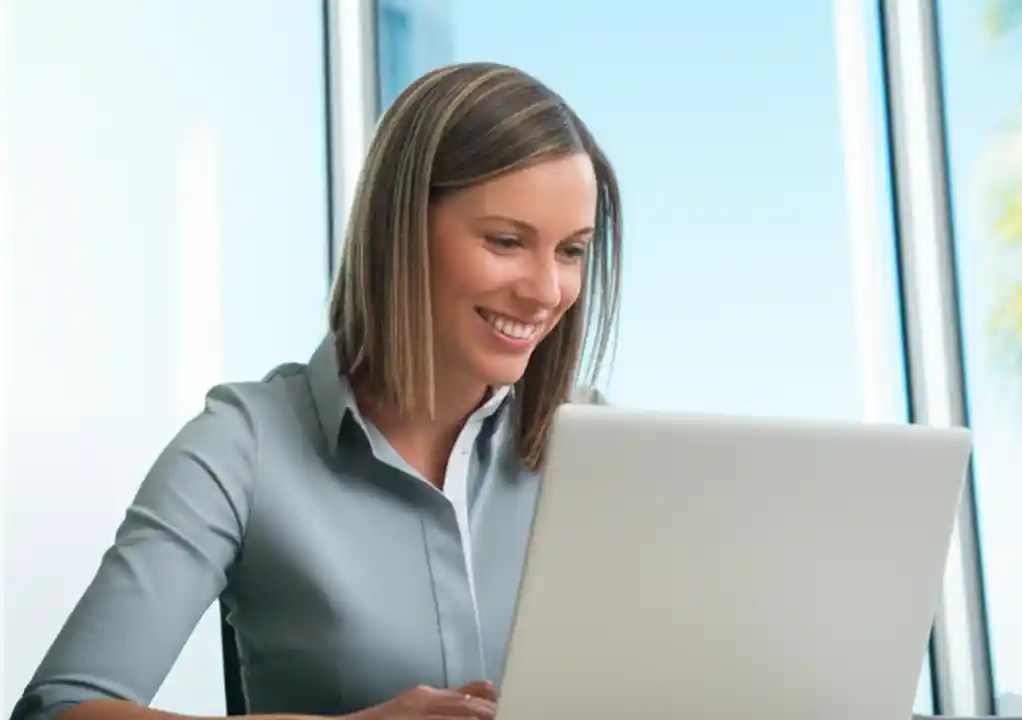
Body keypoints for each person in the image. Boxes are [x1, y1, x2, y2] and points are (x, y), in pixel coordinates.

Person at [11, 62, 622, 720]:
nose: (546, 291)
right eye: (506, 242)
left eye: (571, 251)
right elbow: (61, 709)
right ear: (401, 232)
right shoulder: (242, 448)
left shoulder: (593, 448)